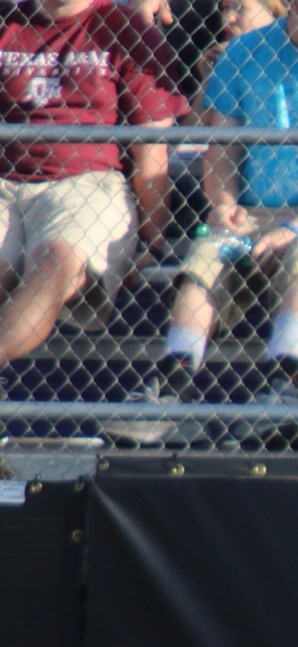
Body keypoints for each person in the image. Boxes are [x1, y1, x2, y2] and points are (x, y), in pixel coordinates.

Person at [107, 0, 298, 447]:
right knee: (208, 251)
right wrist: (223, 203)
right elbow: (222, 152)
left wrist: (295, 229)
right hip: (253, 215)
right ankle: (172, 381)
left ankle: (282, 381)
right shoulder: (243, 53)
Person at [0, 0, 188, 370]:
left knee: (53, 263)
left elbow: (151, 151)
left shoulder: (123, 26)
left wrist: (153, 240)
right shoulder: (8, 20)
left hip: (86, 184)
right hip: (5, 182)